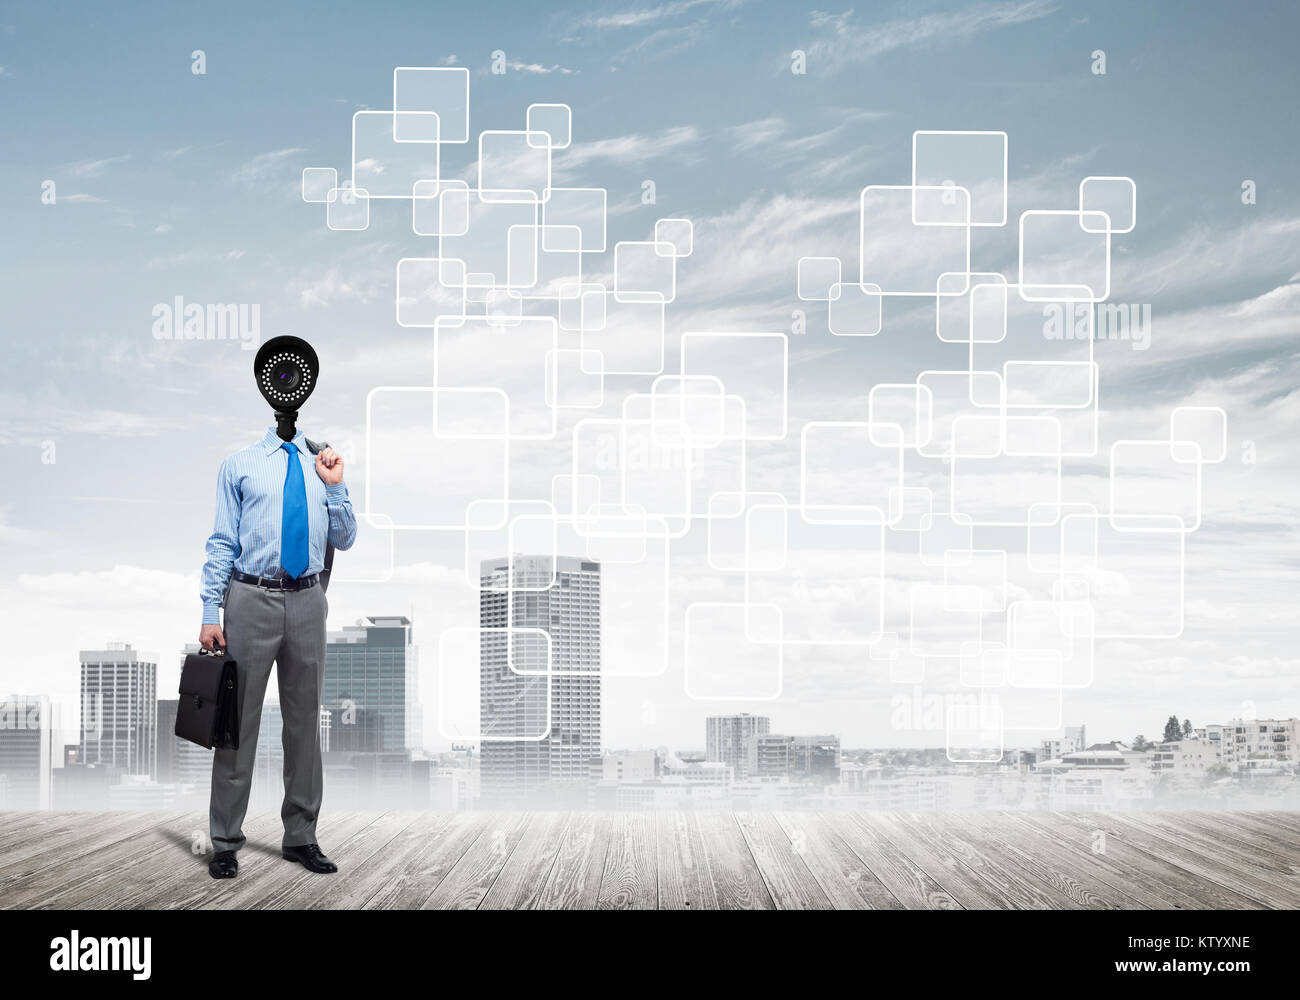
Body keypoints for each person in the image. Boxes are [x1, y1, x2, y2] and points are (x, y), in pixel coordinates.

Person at [198, 426, 357, 879]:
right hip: (250, 599)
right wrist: (212, 610)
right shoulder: (240, 465)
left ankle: (301, 837)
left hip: (308, 600)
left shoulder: (321, 464)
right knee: (236, 723)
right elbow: (223, 541)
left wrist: (337, 486)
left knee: (305, 724)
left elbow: (344, 539)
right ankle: (225, 842)